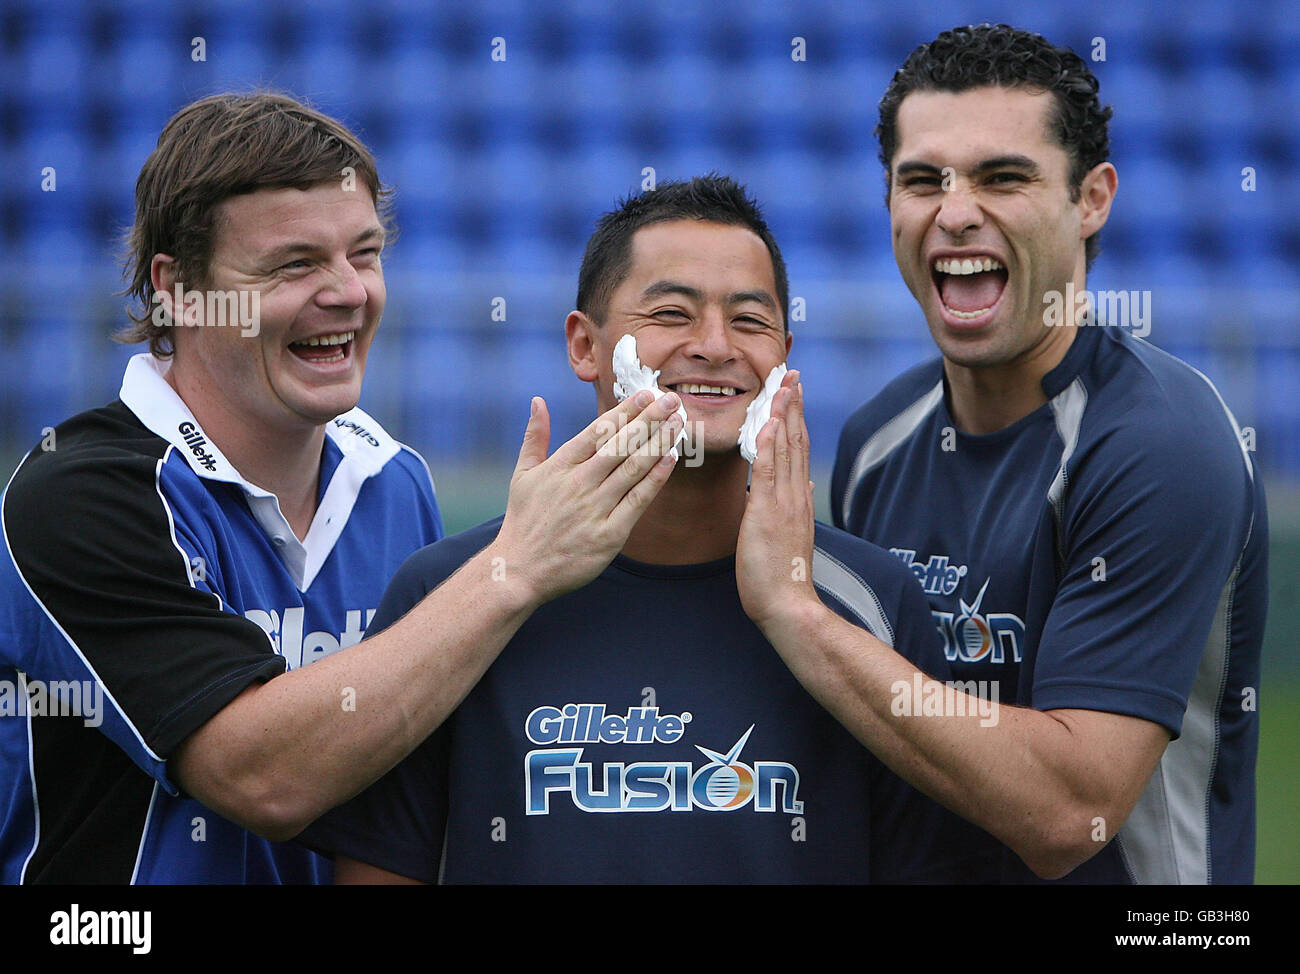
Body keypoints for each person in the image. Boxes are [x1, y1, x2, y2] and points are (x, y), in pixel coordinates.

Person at [0, 93, 681, 883]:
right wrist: (516, 570)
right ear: (178, 289)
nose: (349, 292)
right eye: (295, 264)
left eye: (364, 254)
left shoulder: (395, 481)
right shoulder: (82, 495)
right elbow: (262, 777)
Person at [299, 175, 992, 884]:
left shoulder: (871, 602)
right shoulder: (454, 593)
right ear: (584, 346)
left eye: (750, 321)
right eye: (672, 312)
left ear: (784, 353)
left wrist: (794, 609)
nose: (717, 346)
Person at [742, 25, 1267, 883]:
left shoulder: (1157, 444)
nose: (954, 212)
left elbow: (1070, 812)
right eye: (922, 181)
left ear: (1092, 199)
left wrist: (796, 614)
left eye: (1003, 177)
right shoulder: (876, 439)